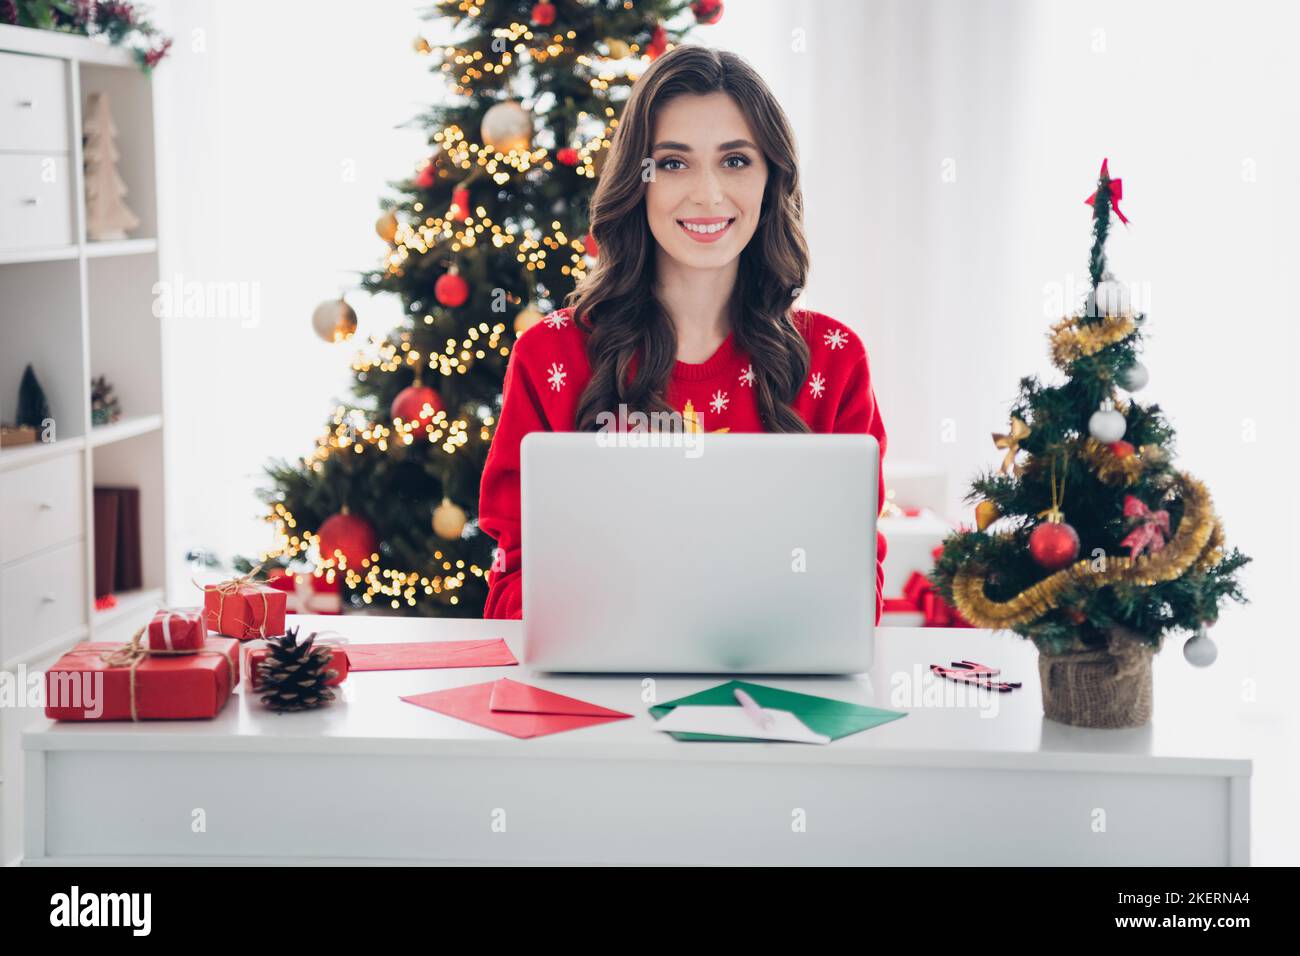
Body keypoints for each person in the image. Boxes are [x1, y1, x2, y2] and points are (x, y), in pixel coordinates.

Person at [478, 45, 888, 621]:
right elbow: (513, 591)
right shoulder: (550, 354)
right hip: (594, 702)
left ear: (772, 179)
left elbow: (852, 591)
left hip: (774, 697)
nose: (708, 194)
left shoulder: (834, 359)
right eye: (673, 162)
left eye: (736, 161)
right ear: (637, 180)